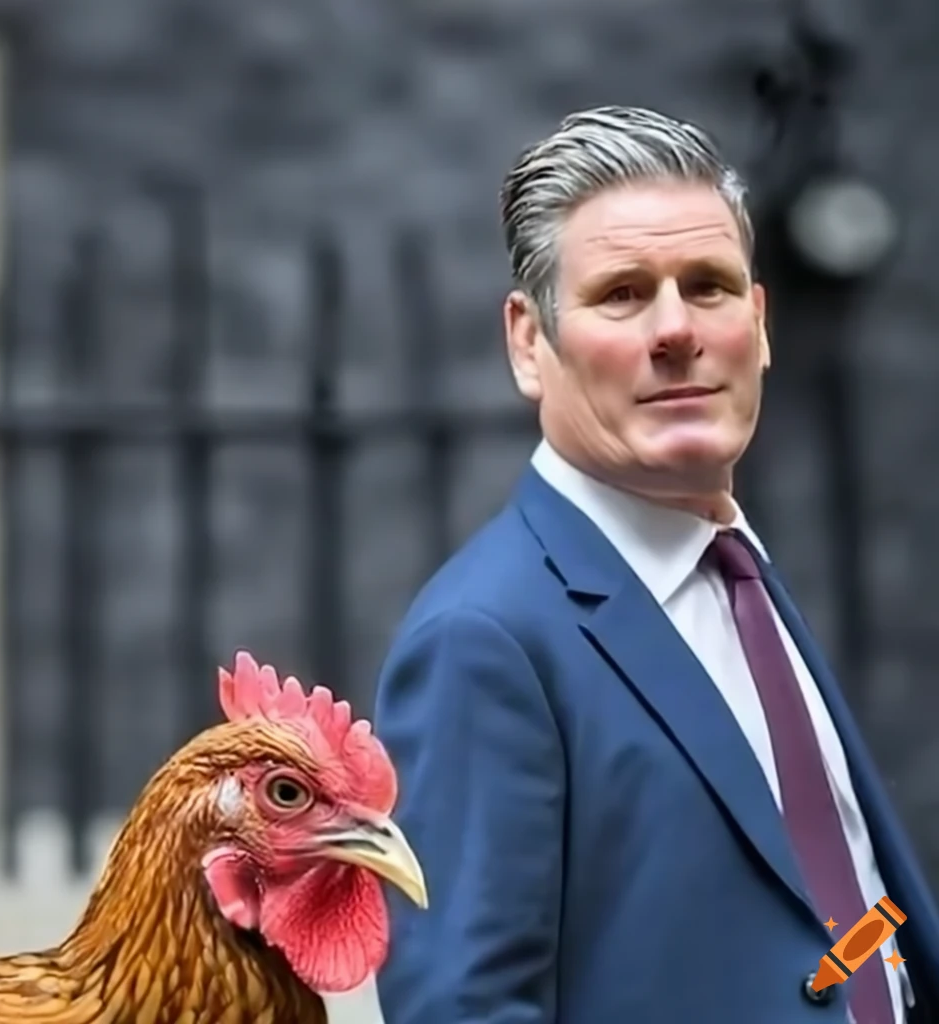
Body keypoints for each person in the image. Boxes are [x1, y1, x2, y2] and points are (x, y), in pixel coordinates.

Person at [371, 106, 939, 1023]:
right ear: (528, 342)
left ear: (758, 320)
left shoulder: (736, 572)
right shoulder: (486, 639)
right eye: (623, 294)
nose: (676, 330)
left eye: (708, 286)